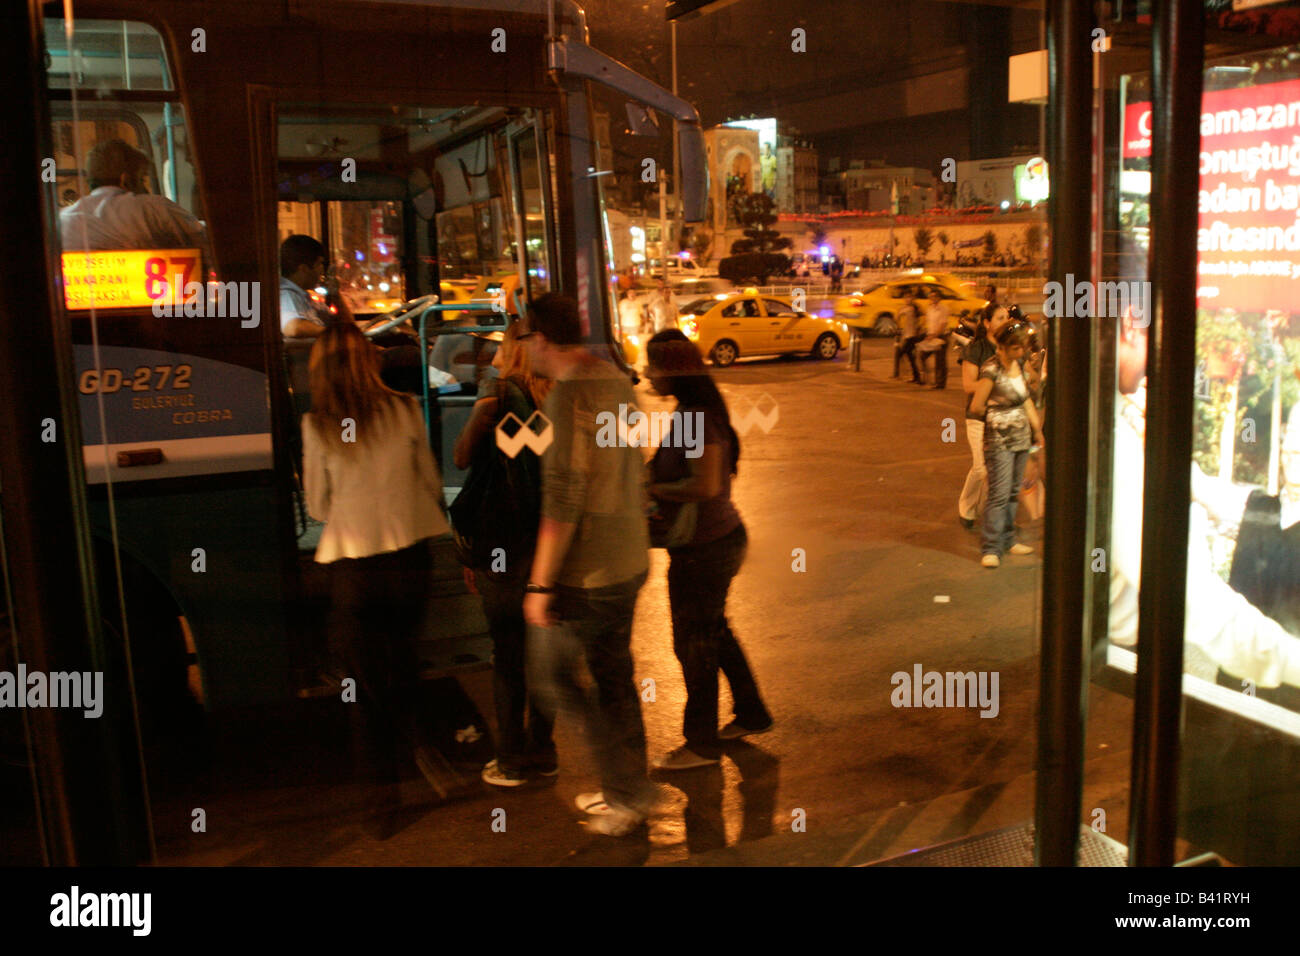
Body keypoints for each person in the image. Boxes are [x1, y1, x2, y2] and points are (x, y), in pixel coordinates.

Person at [519, 293, 657, 836]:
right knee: (614, 679)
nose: (522, 348)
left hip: (592, 573)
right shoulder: (612, 378)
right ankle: (628, 788)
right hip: (629, 556)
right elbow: (632, 458)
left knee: (554, 679)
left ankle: (627, 794)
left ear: (542, 339)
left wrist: (538, 584)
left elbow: (562, 501)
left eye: (524, 338)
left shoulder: (567, 396)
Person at [1109, 310, 1300, 690]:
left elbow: (1197, 491)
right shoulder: (1115, 443)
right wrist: (1290, 661)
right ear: (1131, 325)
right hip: (1124, 661)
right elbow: (1192, 597)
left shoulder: (1116, 425)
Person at [300, 323, 453, 792]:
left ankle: (380, 800)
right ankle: (418, 754)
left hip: (354, 567)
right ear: (369, 361)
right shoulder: (405, 409)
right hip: (409, 560)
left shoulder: (317, 424)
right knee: (403, 663)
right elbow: (430, 481)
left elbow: (318, 506)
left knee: (362, 687)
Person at [643, 330, 773, 770]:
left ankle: (699, 745)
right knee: (713, 632)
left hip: (705, 547)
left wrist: (651, 485)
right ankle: (752, 713)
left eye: (653, 366)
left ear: (673, 370)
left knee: (694, 643)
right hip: (716, 541)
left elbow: (705, 483)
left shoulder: (696, 416)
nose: (647, 374)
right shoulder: (694, 411)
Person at [452, 322, 556, 787]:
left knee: (509, 654)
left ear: (511, 352)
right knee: (544, 656)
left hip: (503, 544)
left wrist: (480, 417)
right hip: (550, 542)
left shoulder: (496, 395)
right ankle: (544, 751)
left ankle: (511, 760)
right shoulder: (557, 395)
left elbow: (461, 458)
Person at [968, 320, 1044, 567]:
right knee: (999, 494)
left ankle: (1009, 539)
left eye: (1021, 348)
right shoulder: (991, 369)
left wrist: (1037, 430)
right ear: (1002, 347)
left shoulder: (1019, 365)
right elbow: (977, 406)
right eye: (1015, 349)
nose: (1020, 353)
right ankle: (991, 547)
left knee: (1013, 491)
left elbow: (1026, 401)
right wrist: (999, 414)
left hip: (1021, 437)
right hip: (999, 440)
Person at [59, 139, 210, 259]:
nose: (145, 189)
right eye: (142, 180)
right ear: (125, 180)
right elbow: (207, 245)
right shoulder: (156, 209)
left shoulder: (62, 220)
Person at [956, 306, 1007, 528]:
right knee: (981, 468)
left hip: (1003, 416)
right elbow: (968, 385)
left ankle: (987, 513)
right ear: (987, 323)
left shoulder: (1009, 349)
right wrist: (995, 384)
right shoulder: (976, 349)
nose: (1005, 321)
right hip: (978, 416)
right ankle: (970, 510)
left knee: (996, 468)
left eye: (1007, 317)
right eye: (1000, 318)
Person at [280, 234, 353, 338]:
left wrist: (335, 295)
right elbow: (293, 328)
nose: (322, 271)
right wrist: (336, 336)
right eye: (319, 264)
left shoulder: (305, 298)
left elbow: (348, 324)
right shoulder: (286, 295)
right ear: (303, 269)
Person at [916, 289, 951, 389]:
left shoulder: (944, 309)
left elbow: (943, 324)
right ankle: (927, 378)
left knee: (940, 361)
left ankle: (940, 383)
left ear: (939, 298)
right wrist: (925, 332)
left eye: (935, 296)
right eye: (931, 296)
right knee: (922, 355)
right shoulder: (929, 308)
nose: (933, 298)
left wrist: (934, 335)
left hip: (941, 336)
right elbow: (928, 323)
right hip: (930, 336)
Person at [895, 292, 924, 384]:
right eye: (906, 298)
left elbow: (897, 317)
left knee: (902, 353)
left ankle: (909, 375)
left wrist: (900, 311)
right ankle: (916, 377)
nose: (907, 300)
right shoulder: (913, 308)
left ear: (913, 299)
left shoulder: (910, 309)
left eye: (909, 298)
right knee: (910, 357)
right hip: (908, 334)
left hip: (912, 335)